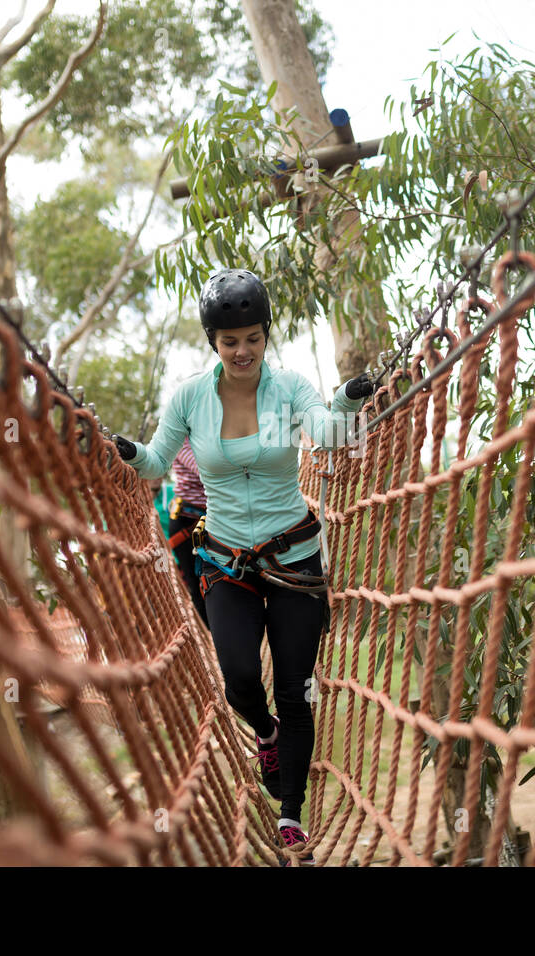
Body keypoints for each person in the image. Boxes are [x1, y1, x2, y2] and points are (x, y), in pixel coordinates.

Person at [113, 268, 373, 865]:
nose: (242, 351)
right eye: (229, 340)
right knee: (237, 678)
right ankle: (267, 733)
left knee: (295, 690)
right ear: (213, 341)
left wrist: (347, 400)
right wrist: (123, 450)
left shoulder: (289, 389)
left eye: (252, 338)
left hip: (293, 560)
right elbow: (155, 461)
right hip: (224, 557)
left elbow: (328, 435)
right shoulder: (189, 398)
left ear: (265, 335)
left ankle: (290, 813)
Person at [166, 438, 209, 627]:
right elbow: (204, 470)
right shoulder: (183, 438)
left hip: (213, 516)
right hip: (187, 520)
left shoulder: (211, 432)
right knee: (196, 581)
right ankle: (212, 634)